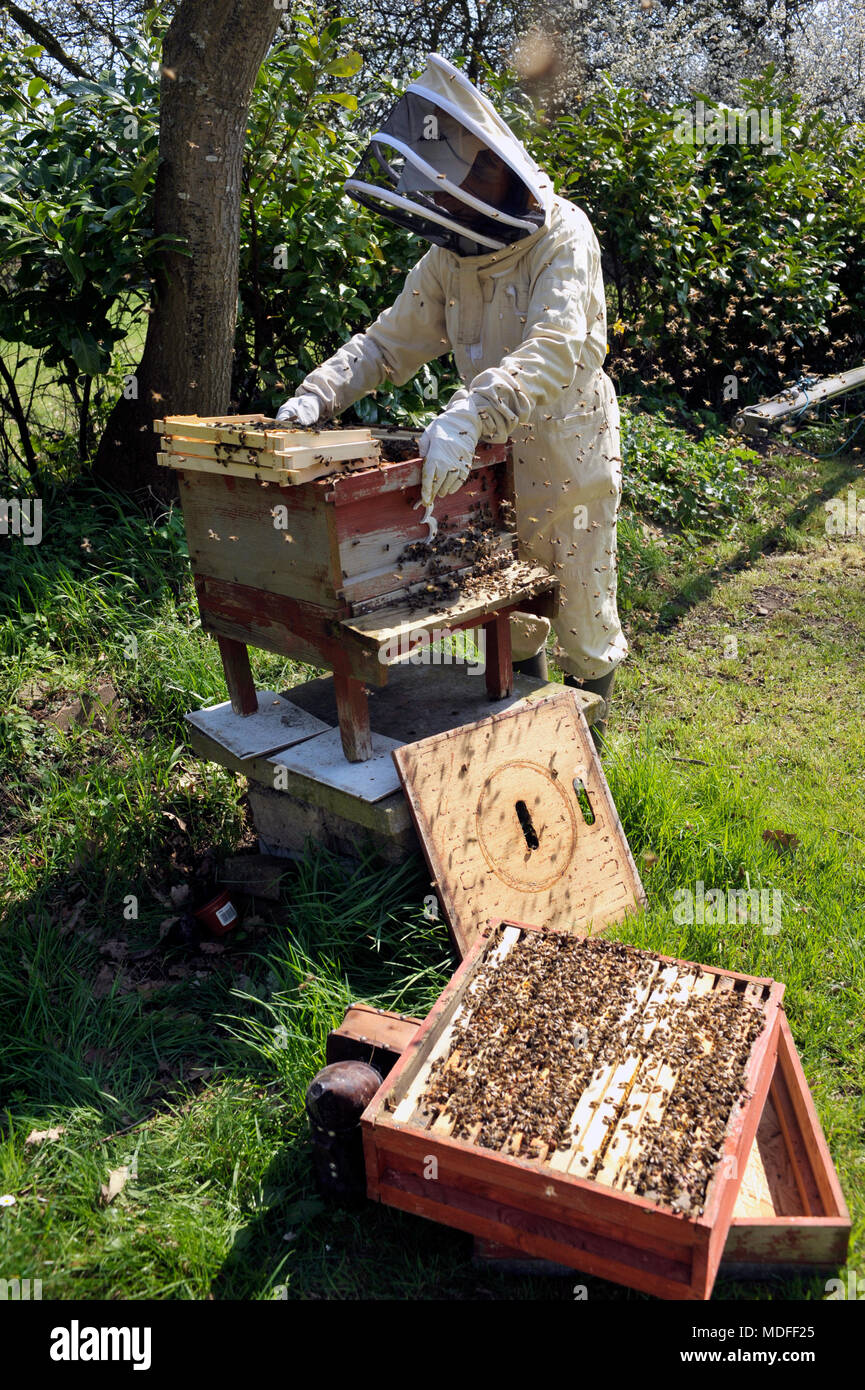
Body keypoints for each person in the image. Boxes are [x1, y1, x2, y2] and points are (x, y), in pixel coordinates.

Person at [276, 53, 627, 737]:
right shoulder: (448, 259)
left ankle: (592, 755)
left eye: (454, 182)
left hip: (568, 444)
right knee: (511, 607)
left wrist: (470, 411)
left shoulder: (564, 235)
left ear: (495, 171)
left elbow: (555, 349)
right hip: (491, 456)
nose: (439, 199)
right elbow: (386, 344)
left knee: (582, 609)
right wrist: (315, 397)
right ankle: (525, 740)